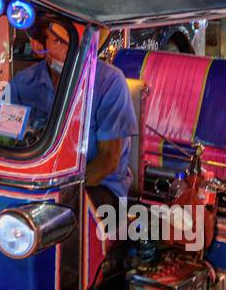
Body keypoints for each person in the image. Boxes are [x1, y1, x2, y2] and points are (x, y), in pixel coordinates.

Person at [7, 15, 137, 220]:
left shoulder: (110, 81)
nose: (71, 51)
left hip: (100, 188)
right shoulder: (23, 83)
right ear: (39, 45)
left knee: (52, 219)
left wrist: (58, 193)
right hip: (36, 184)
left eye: (77, 43)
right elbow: (6, 137)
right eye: (59, 42)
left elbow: (108, 161)